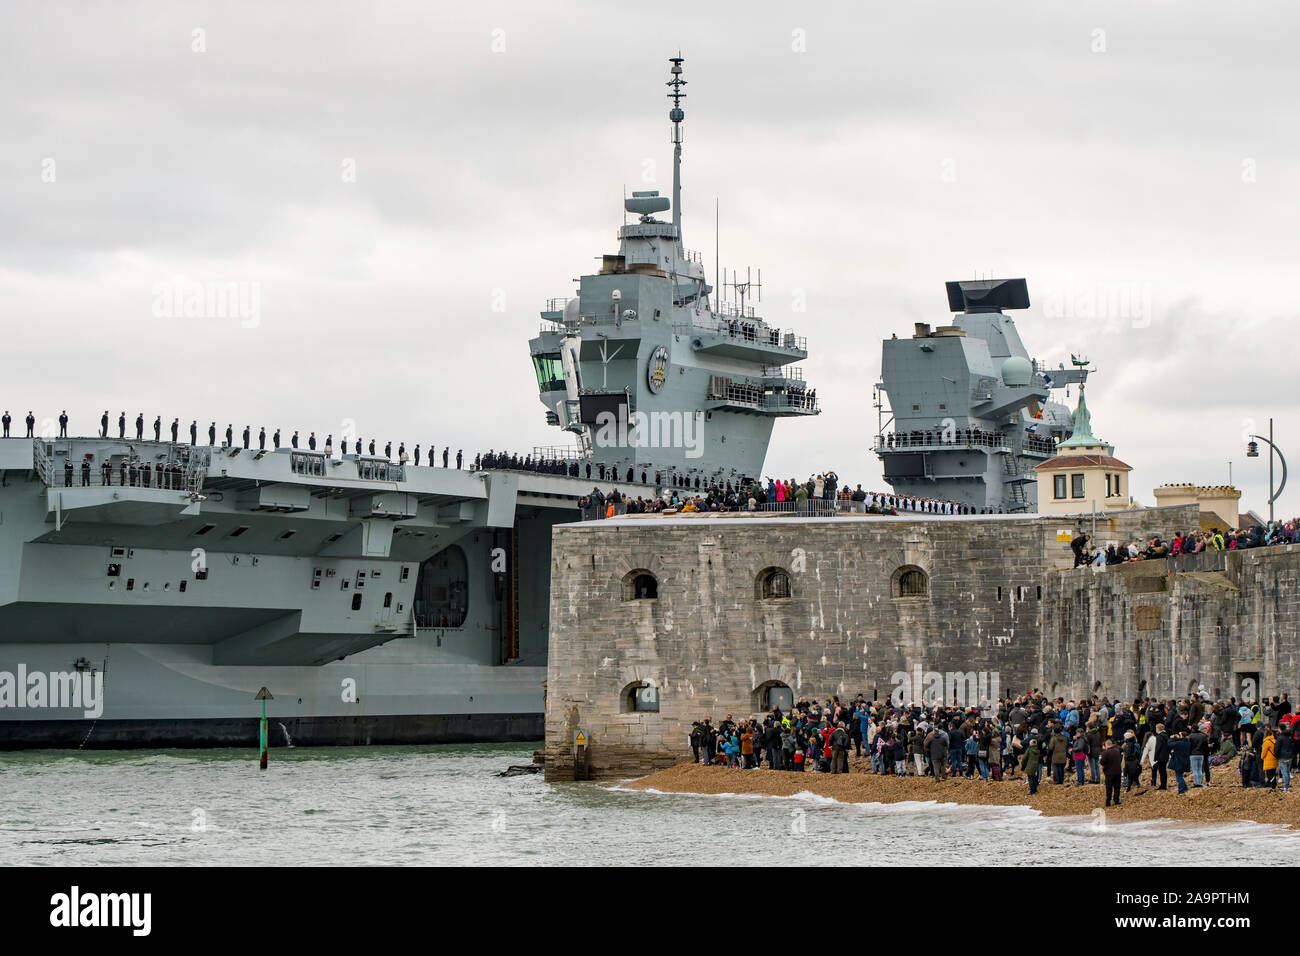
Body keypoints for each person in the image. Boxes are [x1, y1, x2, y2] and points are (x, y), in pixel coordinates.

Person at [1100, 738, 1123, 806]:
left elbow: (1102, 762)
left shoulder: (1106, 752)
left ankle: (1108, 801)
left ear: (1106, 745)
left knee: (1109, 787)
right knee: (1117, 787)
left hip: (1109, 772)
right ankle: (1116, 800)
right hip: (1118, 771)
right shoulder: (1117, 751)